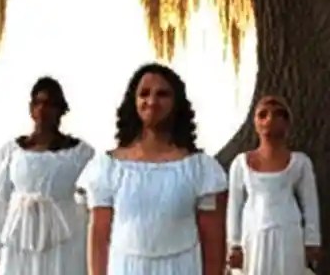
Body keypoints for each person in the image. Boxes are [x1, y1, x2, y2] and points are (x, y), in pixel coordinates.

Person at [80, 63, 227, 275]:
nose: (152, 101)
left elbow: (213, 245)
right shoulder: (109, 167)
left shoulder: (200, 169)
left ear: (176, 103)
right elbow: (99, 238)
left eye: (162, 94)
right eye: (144, 94)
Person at [0, 77, 95, 275]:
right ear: (31, 109)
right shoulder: (13, 151)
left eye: (50, 104)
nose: (43, 109)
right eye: (38, 103)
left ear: (60, 110)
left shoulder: (79, 153)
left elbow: (93, 197)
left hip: (64, 238)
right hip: (20, 236)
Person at [226, 95, 322, 274]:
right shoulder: (240, 164)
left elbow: (310, 204)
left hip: (288, 235)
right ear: (255, 122)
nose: (270, 120)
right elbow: (234, 206)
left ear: (287, 122)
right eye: (263, 114)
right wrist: (234, 244)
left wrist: (312, 240)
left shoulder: (300, 163)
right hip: (253, 235)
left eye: (278, 114)